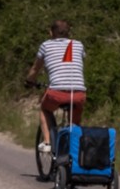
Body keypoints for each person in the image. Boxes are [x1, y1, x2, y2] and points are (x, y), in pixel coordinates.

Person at [25, 20, 87, 153]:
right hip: (79, 92)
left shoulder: (46, 46)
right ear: (68, 32)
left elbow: (36, 68)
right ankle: (74, 147)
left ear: (51, 32)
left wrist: (29, 80)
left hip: (57, 92)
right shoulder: (78, 44)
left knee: (45, 108)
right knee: (74, 122)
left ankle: (47, 142)